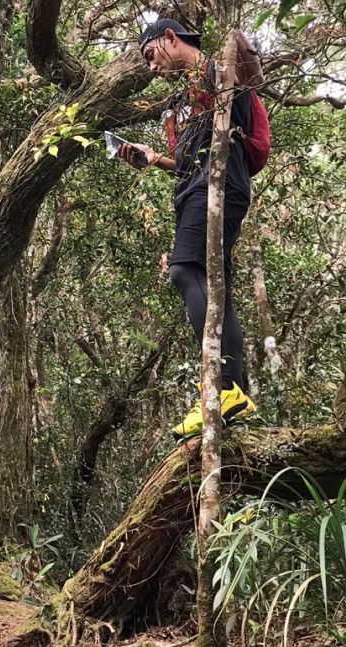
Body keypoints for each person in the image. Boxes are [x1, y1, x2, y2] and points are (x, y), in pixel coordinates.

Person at [117, 18, 258, 440]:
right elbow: (186, 161)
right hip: (196, 186)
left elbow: (237, 122)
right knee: (217, 287)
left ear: (171, 39)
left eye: (150, 54)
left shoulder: (219, 72)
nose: (150, 66)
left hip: (218, 183)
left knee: (184, 271)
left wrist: (230, 51)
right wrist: (152, 157)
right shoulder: (183, 102)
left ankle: (222, 390)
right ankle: (236, 393)